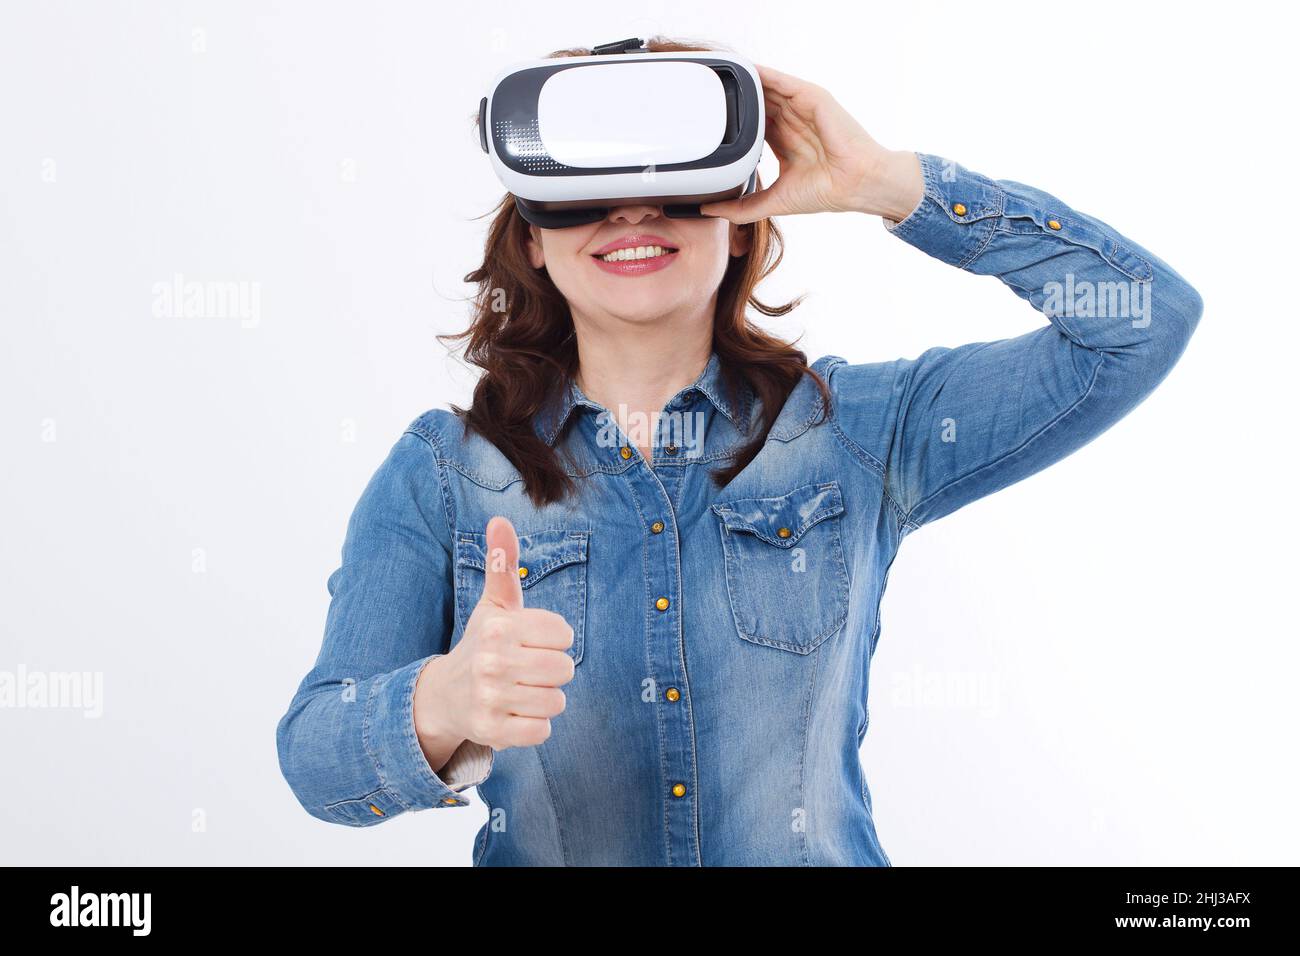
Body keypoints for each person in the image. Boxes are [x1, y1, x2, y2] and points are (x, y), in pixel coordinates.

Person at [275, 39, 1202, 866]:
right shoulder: (443, 473)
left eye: (679, 186)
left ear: (742, 219)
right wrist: (440, 703)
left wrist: (887, 183)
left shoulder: (860, 429)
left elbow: (1142, 322)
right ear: (533, 240)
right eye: (587, 195)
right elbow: (317, 764)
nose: (633, 215)